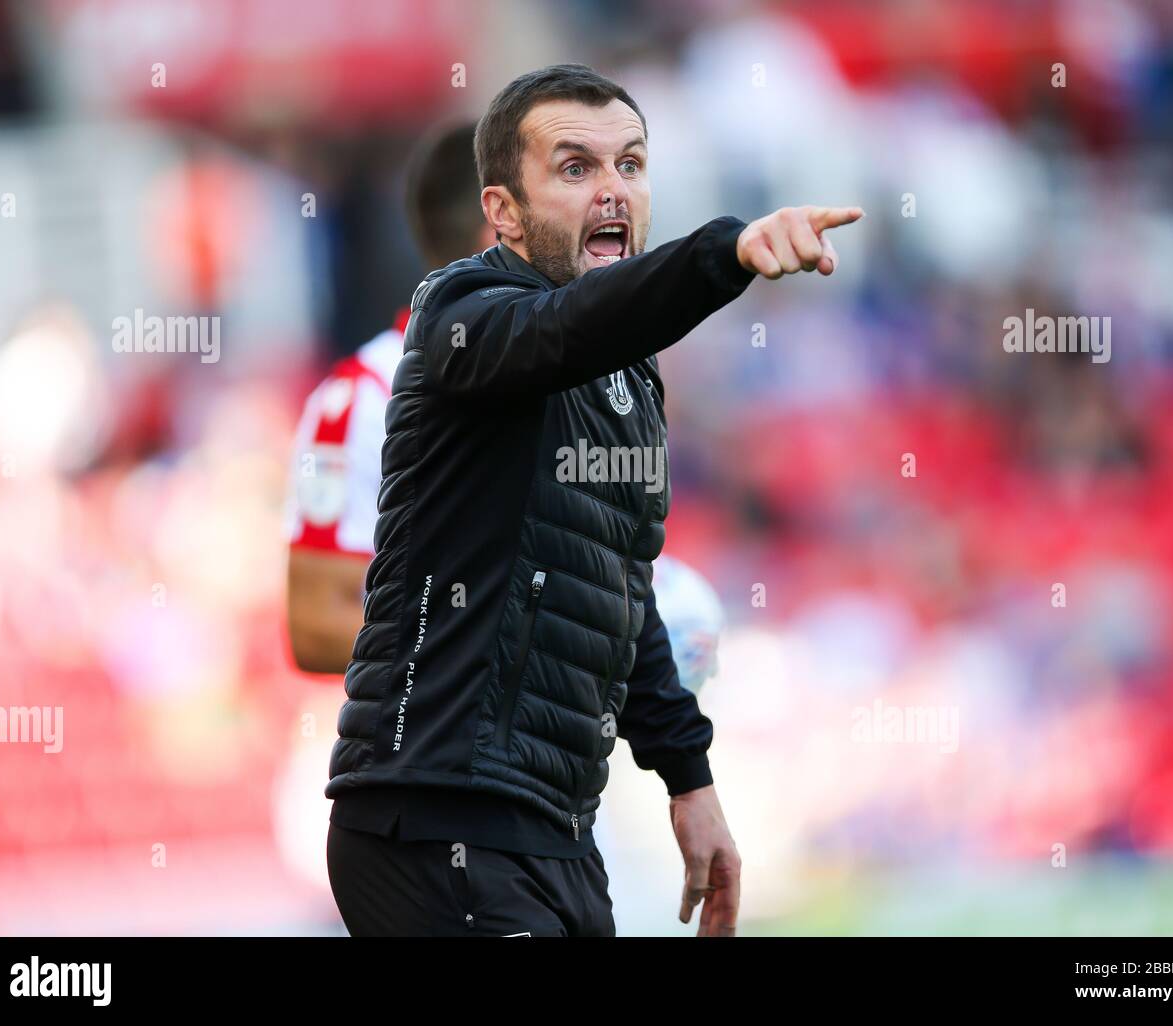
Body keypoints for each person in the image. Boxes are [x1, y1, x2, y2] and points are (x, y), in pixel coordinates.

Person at [324, 63, 862, 937]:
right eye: (576, 168)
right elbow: (567, 328)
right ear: (501, 211)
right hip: (432, 816)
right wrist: (722, 253)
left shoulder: (627, 377)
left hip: (558, 834)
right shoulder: (461, 312)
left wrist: (690, 780)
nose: (613, 189)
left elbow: (618, 586)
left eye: (632, 165)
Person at [285, 121, 494, 673]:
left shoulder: (590, 380)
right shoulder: (364, 399)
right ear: (501, 233)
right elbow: (315, 622)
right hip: (444, 756)